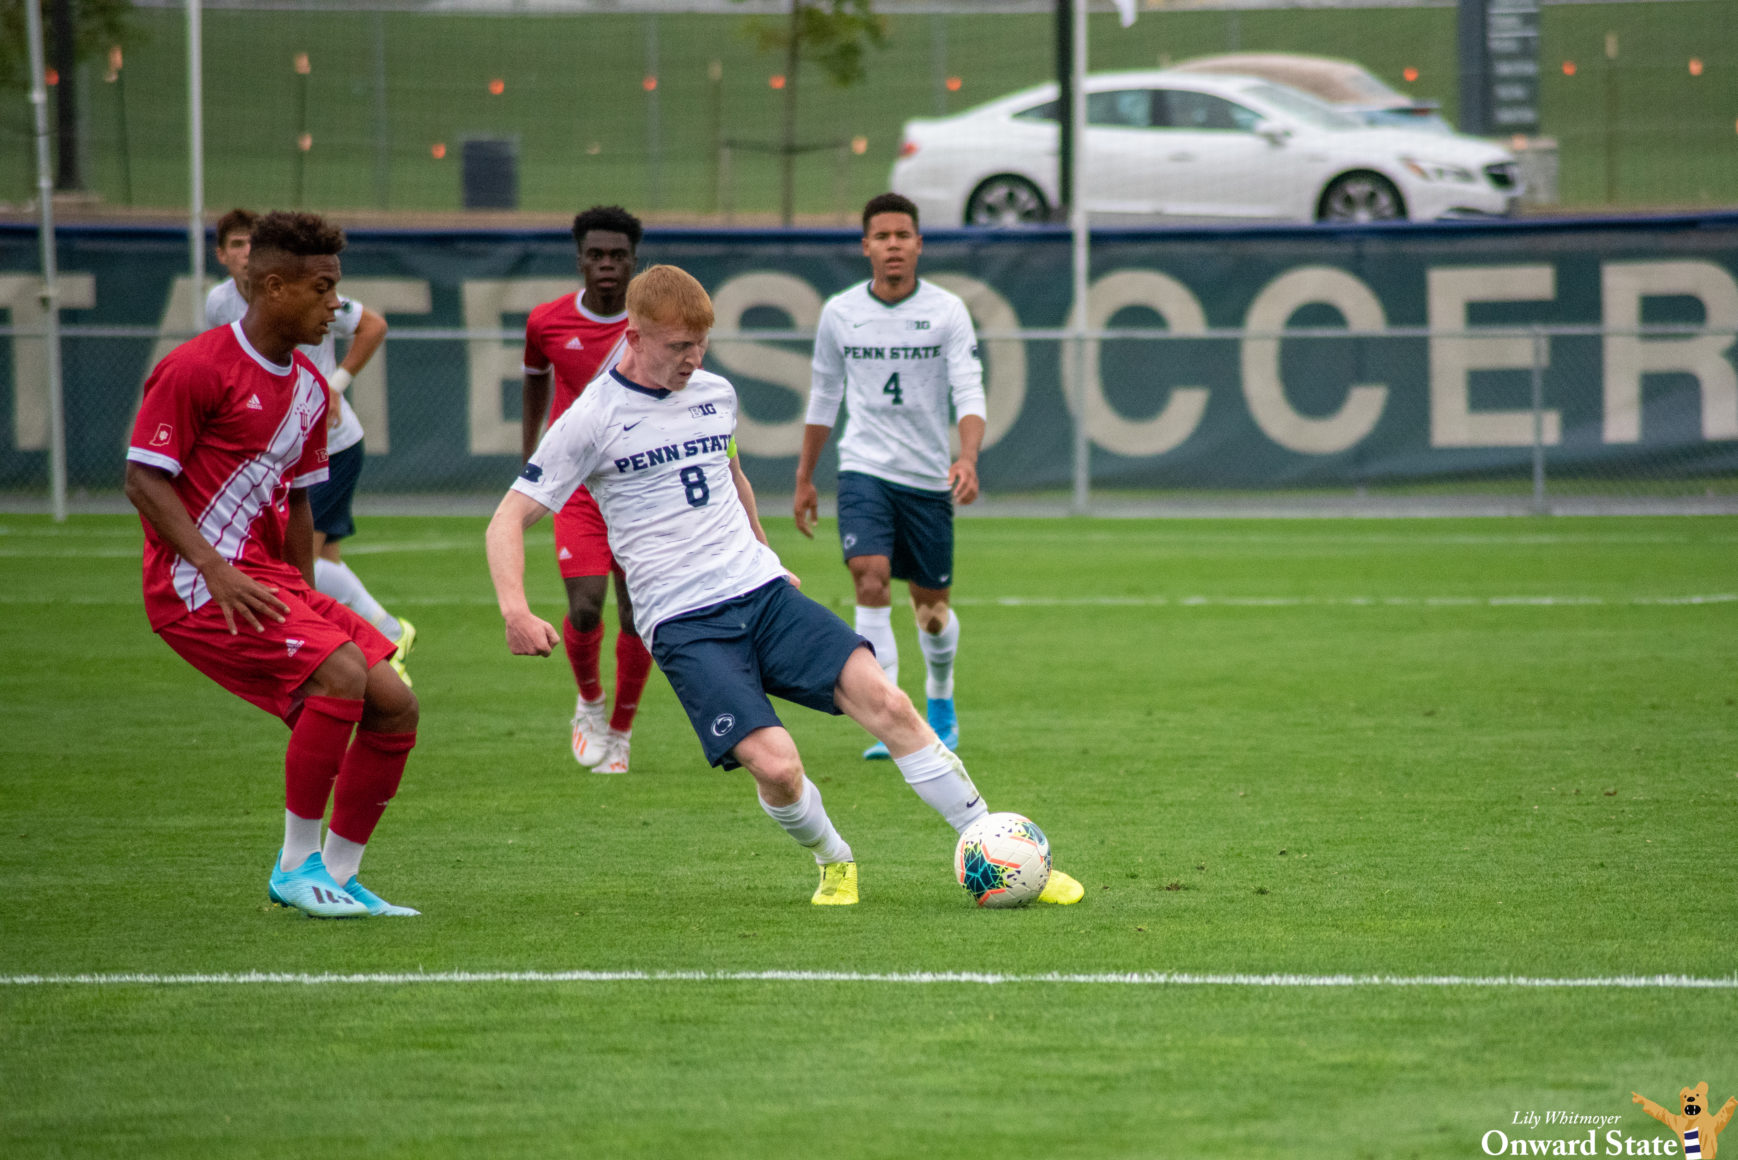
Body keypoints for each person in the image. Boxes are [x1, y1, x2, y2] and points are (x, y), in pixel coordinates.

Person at [485, 264, 1082, 908]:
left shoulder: (715, 393)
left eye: (700, 343)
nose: (693, 358)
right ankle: (834, 859)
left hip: (762, 594)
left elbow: (732, 478)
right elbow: (508, 518)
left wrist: (765, 555)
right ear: (635, 335)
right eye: (678, 346)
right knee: (777, 766)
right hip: (686, 624)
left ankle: (994, 847)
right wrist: (515, 610)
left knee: (889, 703)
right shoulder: (591, 418)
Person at [127, 211, 420, 919]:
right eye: (322, 290)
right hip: (197, 585)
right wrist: (216, 568)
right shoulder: (197, 367)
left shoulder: (313, 392)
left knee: (394, 703)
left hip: (271, 579)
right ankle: (295, 865)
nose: (333, 306)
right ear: (274, 286)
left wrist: (315, 603)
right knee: (343, 676)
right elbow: (144, 480)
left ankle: (340, 876)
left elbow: (299, 509)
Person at [795, 192, 984, 761]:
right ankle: (891, 718)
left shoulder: (947, 311)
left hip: (927, 479)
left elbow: (969, 391)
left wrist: (967, 457)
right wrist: (805, 477)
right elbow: (825, 394)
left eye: (903, 235)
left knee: (931, 614)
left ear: (919, 244)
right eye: (883, 236)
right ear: (866, 246)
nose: (893, 245)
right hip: (864, 468)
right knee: (869, 576)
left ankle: (941, 699)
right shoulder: (841, 312)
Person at [205, 208, 415, 687]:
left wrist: (337, 384)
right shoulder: (218, 305)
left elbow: (374, 325)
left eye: (248, 243)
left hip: (330, 444)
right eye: (234, 245)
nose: (241, 253)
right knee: (325, 563)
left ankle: (379, 635)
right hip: (275, 451)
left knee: (304, 564)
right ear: (223, 256)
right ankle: (378, 635)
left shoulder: (311, 293)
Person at [519, 206, 651, 775]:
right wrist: (530, 458)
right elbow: (534, 385)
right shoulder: (545, 322)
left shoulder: (653, 324)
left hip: (639, 486)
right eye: (595, 254)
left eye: (617, 255)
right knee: (586, 605)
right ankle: (591, 703)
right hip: (577, 487)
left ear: (633, 261)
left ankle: (620, 733)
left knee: (636, 615)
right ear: (579, 259)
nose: (606, 265)